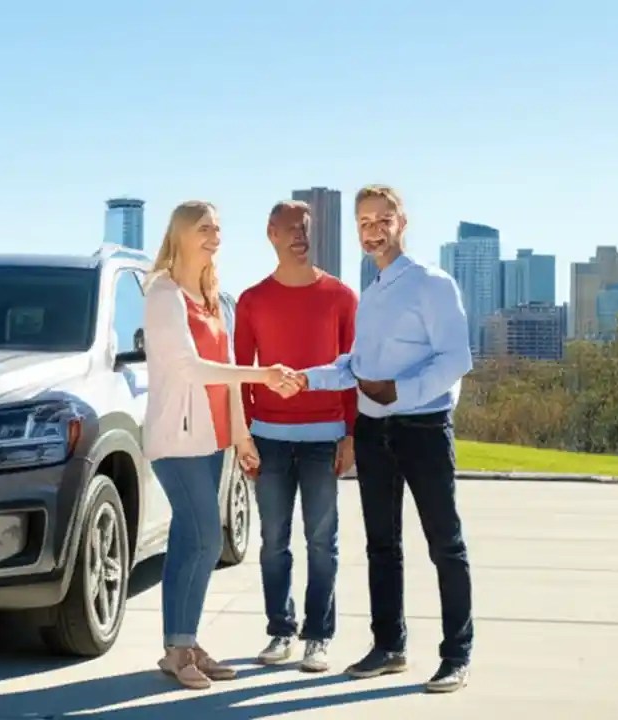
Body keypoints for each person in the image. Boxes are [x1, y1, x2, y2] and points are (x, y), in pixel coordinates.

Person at [301, 184, 475, 694]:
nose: (373, 229)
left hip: (423, 428)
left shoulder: (431, 283)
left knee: (445, 544)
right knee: (382, 545)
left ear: (403, 221)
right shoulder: (372, 291)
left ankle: (457, 656)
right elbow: (357, 367)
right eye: (363, 222)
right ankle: (389, 646)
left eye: (382, 219)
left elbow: (456, 360)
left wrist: (400, 391)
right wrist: (304, 377)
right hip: (374, 430)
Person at [142, 199, 301, 690]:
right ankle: (176, 649)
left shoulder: (211, 295)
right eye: (205, 228)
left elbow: (226, 377)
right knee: (206, 537)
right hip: (176, 438)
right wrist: (265, 374)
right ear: (182, 233)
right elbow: (189, 368)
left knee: (192, 540)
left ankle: (184, 644)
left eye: (218, 228)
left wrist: (240, 436)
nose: (215, 235)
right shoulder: (164, 294)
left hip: (211, 438)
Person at [234, 200, 358, 672]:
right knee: (272, 541)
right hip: (268, 437)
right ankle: (280, 632)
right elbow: (240, 373)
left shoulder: (342, 297)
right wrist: (241, 434)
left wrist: (350, 435)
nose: (299, 236)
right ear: (271, 234)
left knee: (322, 542)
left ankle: (318, 637)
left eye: (305, 228)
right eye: (289, 228)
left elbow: (352, 372)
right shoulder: (252, 300)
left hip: (325, 437)